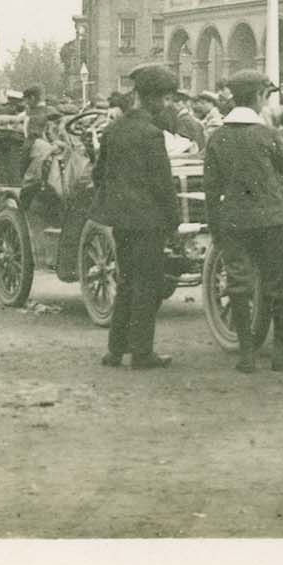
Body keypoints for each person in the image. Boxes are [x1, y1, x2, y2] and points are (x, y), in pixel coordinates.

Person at [202, 69, 283, 374]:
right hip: (271, 220)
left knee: (238, 283)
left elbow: (211, 190)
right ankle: (280, 355)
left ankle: (247, 356)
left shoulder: (217, 138)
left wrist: (216, 228)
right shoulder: (267, 135)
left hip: (233, 221)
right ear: (260, 97)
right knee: (279, 283)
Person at [92, 63, 179, 370]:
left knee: (126, 282)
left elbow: (98, 174)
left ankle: (115, 351)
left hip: (121, 221)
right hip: (149, 222)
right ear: (152, 99)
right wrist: (174, 221)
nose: (166, 104)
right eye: (165, 98)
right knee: (148, 285)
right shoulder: (152, 135)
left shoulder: (113, 131)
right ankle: (142, 352)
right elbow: (163, 184)